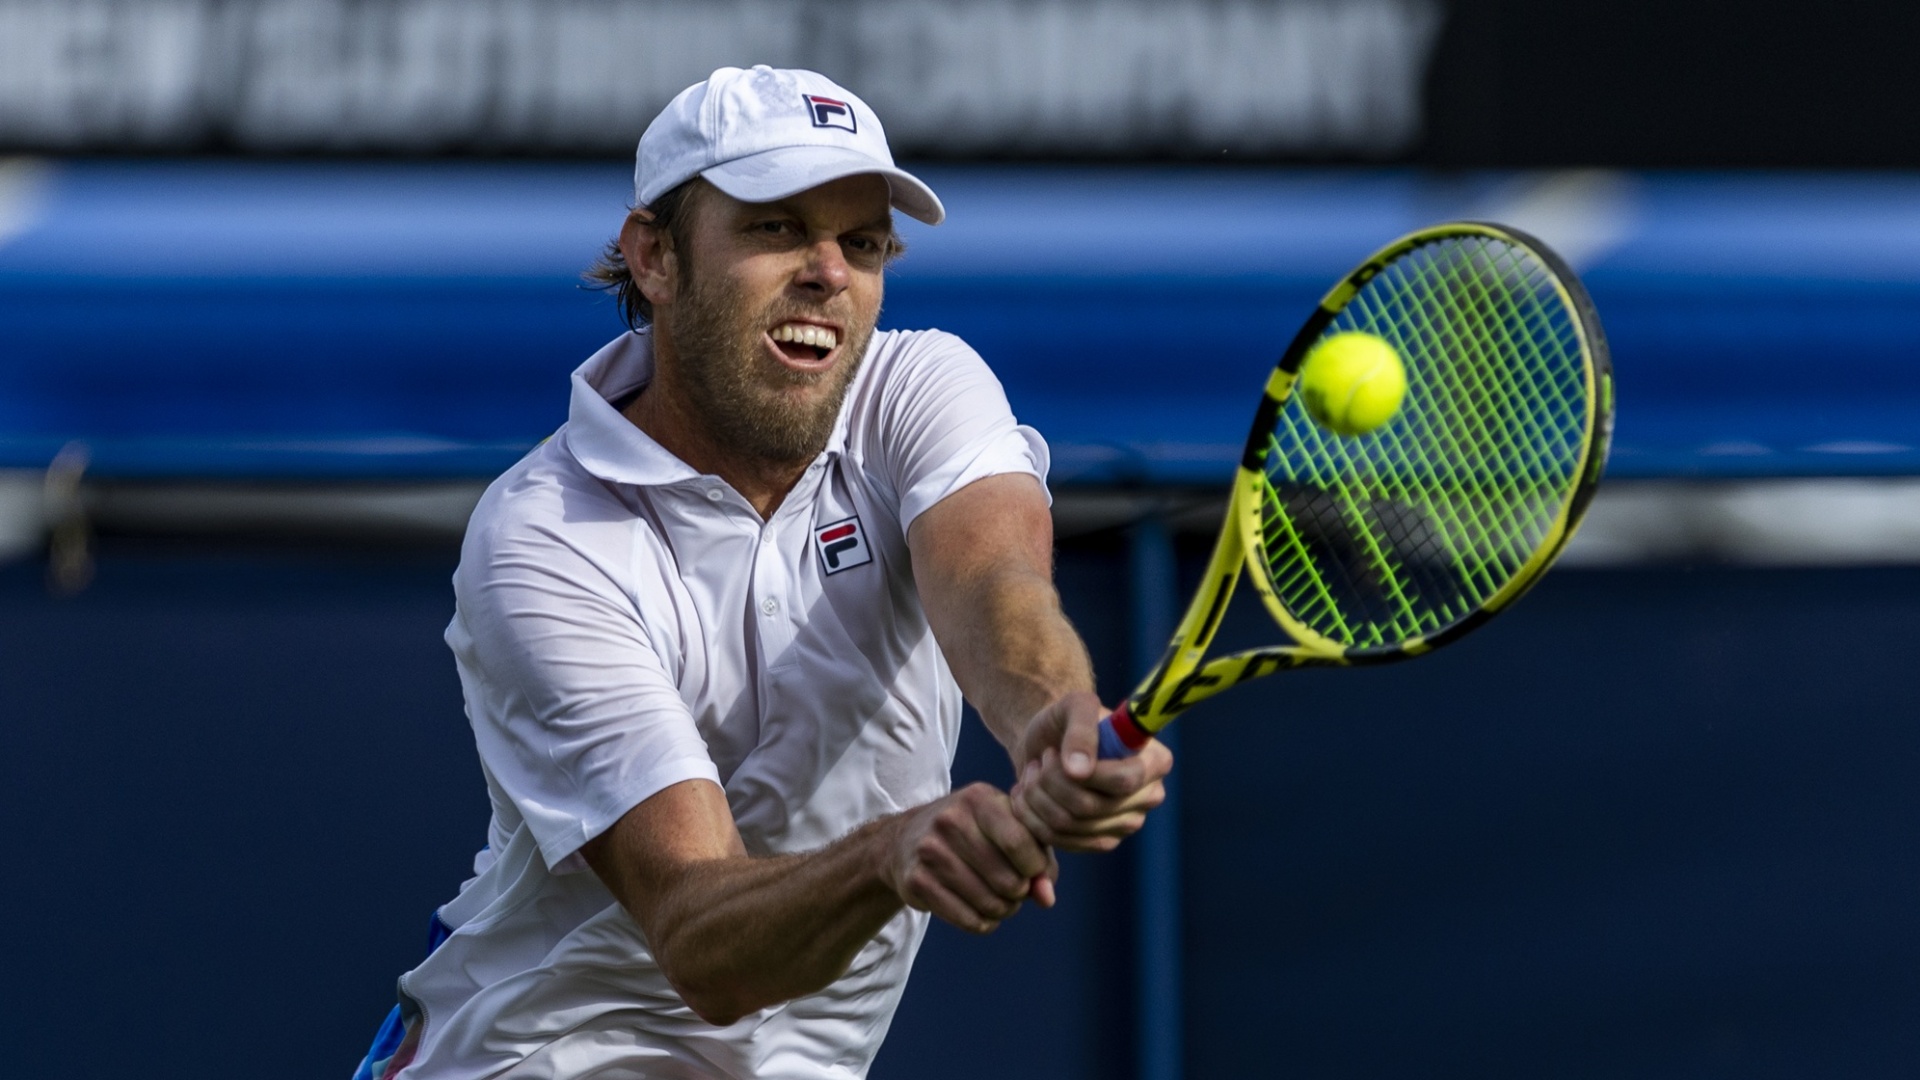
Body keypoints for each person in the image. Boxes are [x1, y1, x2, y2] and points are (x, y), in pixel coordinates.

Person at [355, 64, 1172, 1080]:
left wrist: (1053, 715)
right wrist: (890, 854)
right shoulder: (545, 536)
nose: (830, 272)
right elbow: (704, 941)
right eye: (777, 229)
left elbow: (994, 585)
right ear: (653, 256)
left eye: (863, 243)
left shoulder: (918, 385)